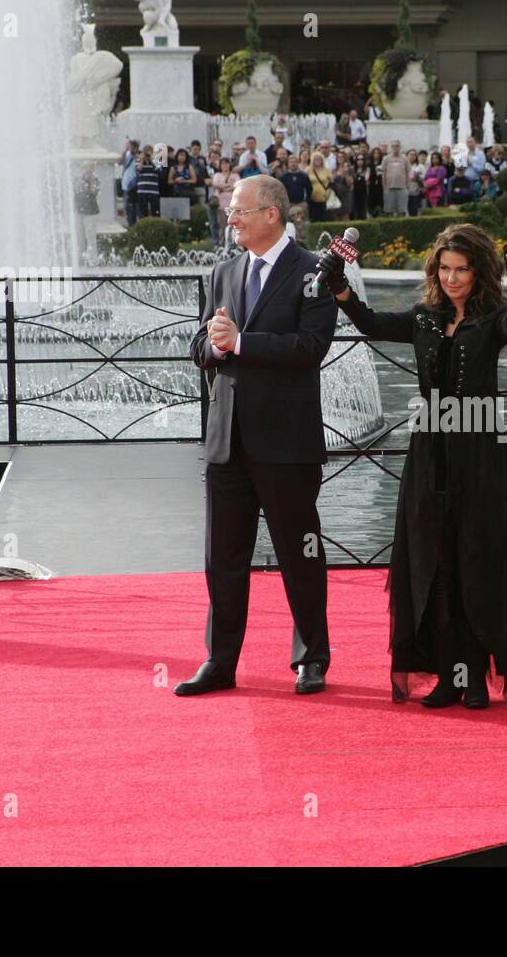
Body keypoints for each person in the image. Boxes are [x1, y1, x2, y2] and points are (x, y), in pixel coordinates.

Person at [328, 225, 507, 707]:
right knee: (435, 561)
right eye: (445, 268)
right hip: (430, 452)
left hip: (482, 450)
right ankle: (448, 675)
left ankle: (477, 675)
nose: (453, 278)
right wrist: (340, 286)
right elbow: (370, 322)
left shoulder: (493, 317)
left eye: (462, 269)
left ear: (479, 271)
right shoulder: (423, 318)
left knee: (476, 560)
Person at [177, 173, 338, 697]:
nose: (231, 219)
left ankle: (311, 658)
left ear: (273, 214)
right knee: (221, 558)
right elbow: (200, 344)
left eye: (240, 210)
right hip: (227, 441)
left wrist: (242, 343)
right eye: (230, 211)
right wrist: (219, 347)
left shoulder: (315, 271)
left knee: (301, 553)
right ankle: (219, 662)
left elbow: (311, 347)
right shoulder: (225, 271)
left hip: (286, 443)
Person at [210, 157, 239, 248]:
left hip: (233, 204)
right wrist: (229, 187)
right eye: (222, 163)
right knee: (221, 225)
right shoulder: (217, 175)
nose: (225, 165)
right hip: (220, 204)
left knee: (233, 225)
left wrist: (224, 187)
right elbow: (215, 184)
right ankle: (221, 244)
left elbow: (237, 185)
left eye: (226, 163)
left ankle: (234, 245)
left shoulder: (235, 175)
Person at [381, 140, 411, 216]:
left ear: (400, 147)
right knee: (389, 211)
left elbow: (407, 173)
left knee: (401, 211)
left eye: (397, 146)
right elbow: (383, 173)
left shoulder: (405, 159)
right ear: (391, 147)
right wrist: (384, 186)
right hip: (389, 188)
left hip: (402, 188)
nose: (395, 147)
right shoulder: (386, 159)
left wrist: (407, 185)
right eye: (393, 146)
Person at [135, 145, 161, 218]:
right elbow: (138, 170)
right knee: (142, 213)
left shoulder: (156, 161)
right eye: (146, 152)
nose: (148, 154)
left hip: (153, 191)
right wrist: (142, 159)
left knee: (156, 212)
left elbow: (159, 171)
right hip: (142, 190)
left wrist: (152, 159)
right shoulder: (139, 160)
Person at [307, 150, 334, 222]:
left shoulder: (327, 170)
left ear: (322, 160)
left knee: (324, 217)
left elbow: (331, 182)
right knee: (314, 217)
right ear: (312, 160)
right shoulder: (308, 170)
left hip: (324, 196)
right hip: (312, 197)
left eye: (319, 159)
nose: (317, 161)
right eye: (315, 159)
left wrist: (328, 191)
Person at [120, 139, 140, 227]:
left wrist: (135, 154)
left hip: (137, 185)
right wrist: (125, 151)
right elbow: (120, 162)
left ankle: (136, 225)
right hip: (126, 185)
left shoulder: (140, 155)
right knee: (128, 207)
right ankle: (131, 225)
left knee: (137, 207)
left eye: (131, 146)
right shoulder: (127, 155)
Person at [367, 146, 385, 216]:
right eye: (375, 153)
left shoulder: (383, 164)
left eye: (378, 153)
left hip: (380, 186)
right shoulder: (369, 164)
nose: (376, 155)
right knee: (371, 203)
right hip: (372, 186)